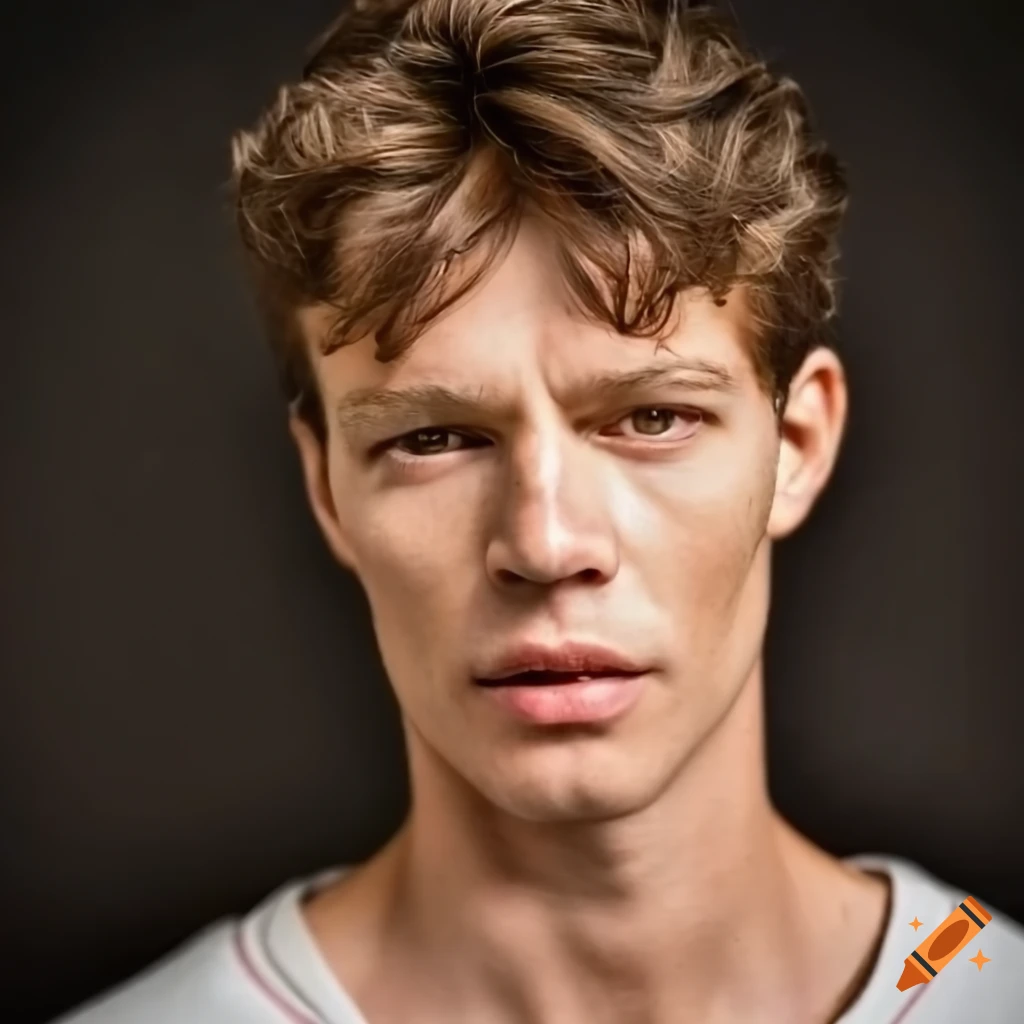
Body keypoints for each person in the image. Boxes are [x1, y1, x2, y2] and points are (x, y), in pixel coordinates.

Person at [54, 1, 1024, 1022]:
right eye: (432, 438)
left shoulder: (981, 985)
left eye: (653, 417)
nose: (547, 543)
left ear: (795, 447)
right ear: (327, 486)